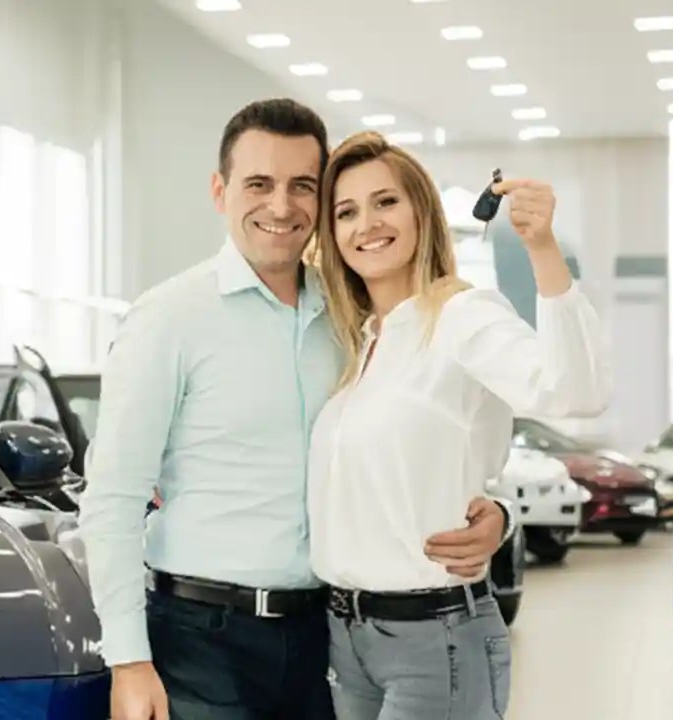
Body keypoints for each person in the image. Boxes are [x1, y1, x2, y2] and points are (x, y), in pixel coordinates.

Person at [78, 99, 517, 720]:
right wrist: (128, 661)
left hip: (325, 639)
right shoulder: (168, 318)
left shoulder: (354, 320)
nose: (281, 206)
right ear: (220, 191)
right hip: (203, 642)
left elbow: (435, 439)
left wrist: (497, 512)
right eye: (259, 184)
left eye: (302, 186)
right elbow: (113, 497)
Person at [308, 130, 611, 719]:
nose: (367, 223)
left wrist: (542, 249)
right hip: (345, 637)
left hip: (434, 637)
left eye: (385, 201)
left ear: (421, 212)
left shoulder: (462, 315)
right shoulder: (359, 343)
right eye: (346, 212)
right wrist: (498, 509)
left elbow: (575, 391)